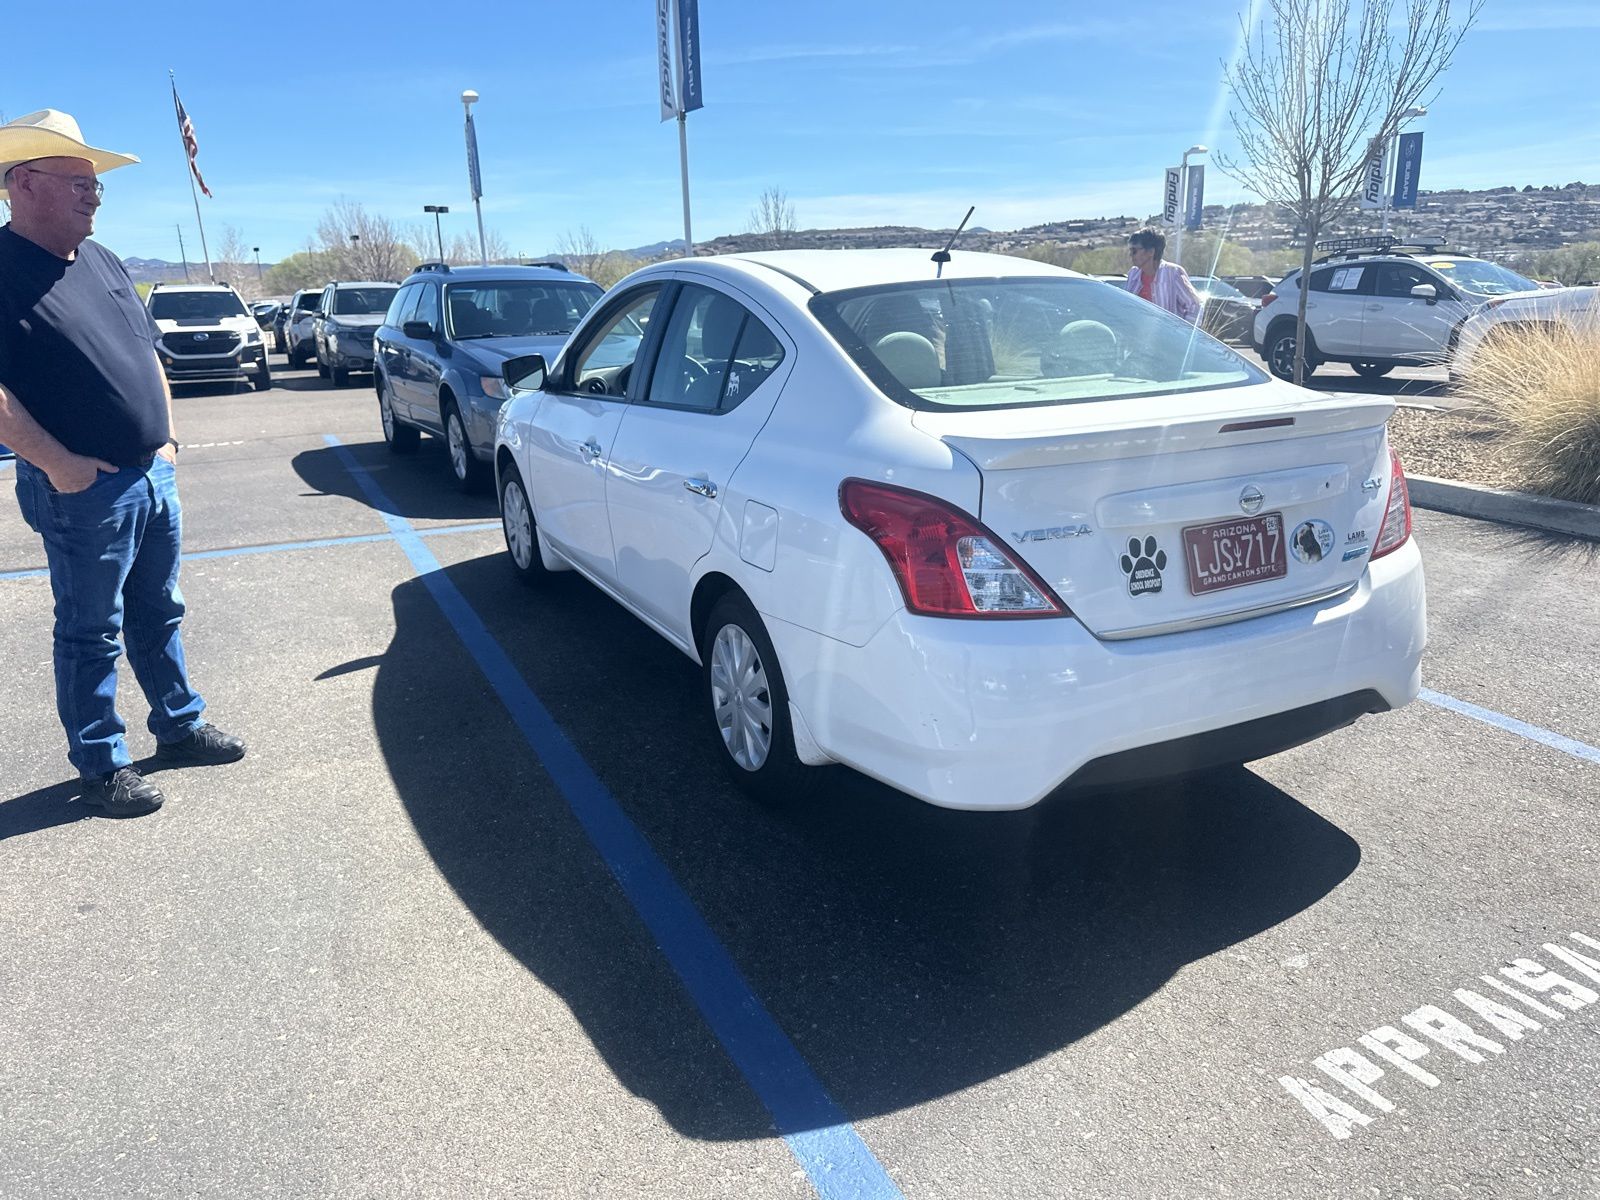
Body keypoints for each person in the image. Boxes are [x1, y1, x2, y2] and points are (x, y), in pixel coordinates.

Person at [0, 109, 245, 818]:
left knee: (159, 611)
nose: (94, 195)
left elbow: (145, 352)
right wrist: (58, 463)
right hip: (81, 487)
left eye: (97, 185)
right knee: (90, 629)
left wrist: (164, 439)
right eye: (79, 182)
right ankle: (102, 765)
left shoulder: (104, 261)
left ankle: (177, 725)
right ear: (23, 184)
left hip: (149, 473)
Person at [1124, 228, 1202, 323]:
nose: (1130, 255)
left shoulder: (1173, 273)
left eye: (1134, 251)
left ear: (1151, 252)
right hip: (1137, 335)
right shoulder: (1133, 274)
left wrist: (1183, 334)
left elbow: (1195, 306)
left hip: (1166, 336)